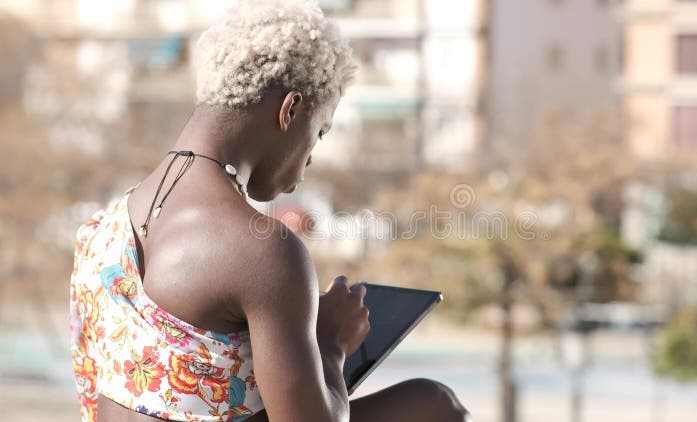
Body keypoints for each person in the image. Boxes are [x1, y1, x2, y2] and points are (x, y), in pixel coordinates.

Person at [68, 0, 472, 421]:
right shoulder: (263, 252)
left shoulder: (99, 231)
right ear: (290, 110)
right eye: (318, 133)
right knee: (434, 405)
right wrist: (330, 346)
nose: (311, 158)